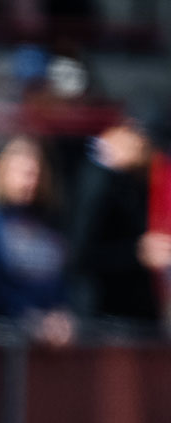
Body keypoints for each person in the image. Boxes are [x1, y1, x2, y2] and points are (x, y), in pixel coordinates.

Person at [0, 133, 73, 343]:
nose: (29, 182)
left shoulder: (51, 227)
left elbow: (59, 283)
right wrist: (29, 317)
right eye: (21, 173)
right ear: (1, 171)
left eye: (34, 173)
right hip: (4, 337)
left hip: (48, 340)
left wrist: (59, 313)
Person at [67, 114, 168, 334]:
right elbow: (80, 254)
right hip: (100, 316)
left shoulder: (136, 180)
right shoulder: (95, 178)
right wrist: (135, 253)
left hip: (137, 317)